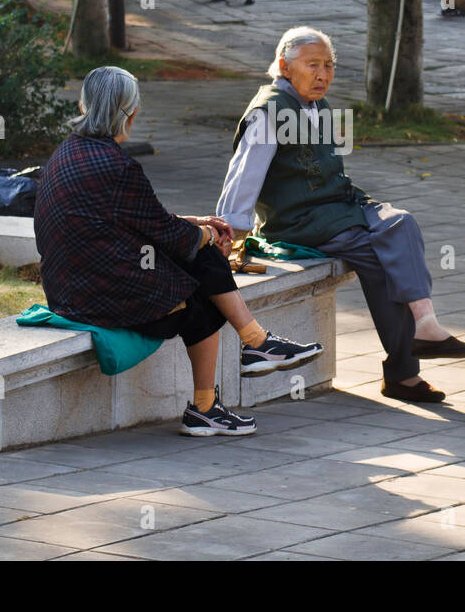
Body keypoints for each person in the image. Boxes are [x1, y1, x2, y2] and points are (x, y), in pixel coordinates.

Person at [34, 66, 322, 437]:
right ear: (131, 112)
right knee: (201, 281)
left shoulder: (67, 152)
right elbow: (167, 234)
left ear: (83, 104)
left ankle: (247, 356)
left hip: (68, 290)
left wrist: (199, 224)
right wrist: (207, 233)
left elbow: (140, 218)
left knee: (199, 263)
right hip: (100, 298)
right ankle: (245, 356)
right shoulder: (119, 165)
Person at [216, 28, 465, 405]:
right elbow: (243, 179)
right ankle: (404, 374)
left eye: (328, 65)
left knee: (400, 223)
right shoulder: (269, 112)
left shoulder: (318, 105)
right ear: (284, 67)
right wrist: (230, 236)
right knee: (378, 257)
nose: (322, 74)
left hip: (339, 206)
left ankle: (426, 325)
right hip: (299, 221)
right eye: (312, 65)